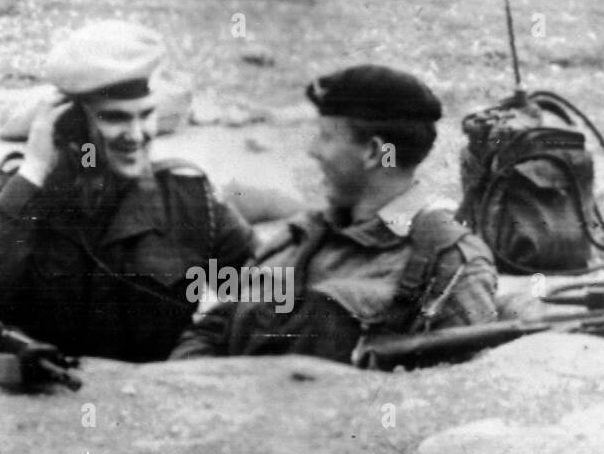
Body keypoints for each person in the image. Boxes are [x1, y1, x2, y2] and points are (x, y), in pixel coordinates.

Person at [0, 20, 254, 363]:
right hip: (40, 403)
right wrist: (33, 169)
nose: (137, 134)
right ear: (73, 124)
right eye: (115, 118)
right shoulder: (21, 194)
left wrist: (198, 348)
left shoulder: (189, 202)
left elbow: (266, 294)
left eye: (146, 115)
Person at [170, 64, 498, 364]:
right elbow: (214, 330)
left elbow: (461, 394)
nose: (313, 150)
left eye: (326, 136)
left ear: (374, 153)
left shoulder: (449, 263)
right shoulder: (301, 236)